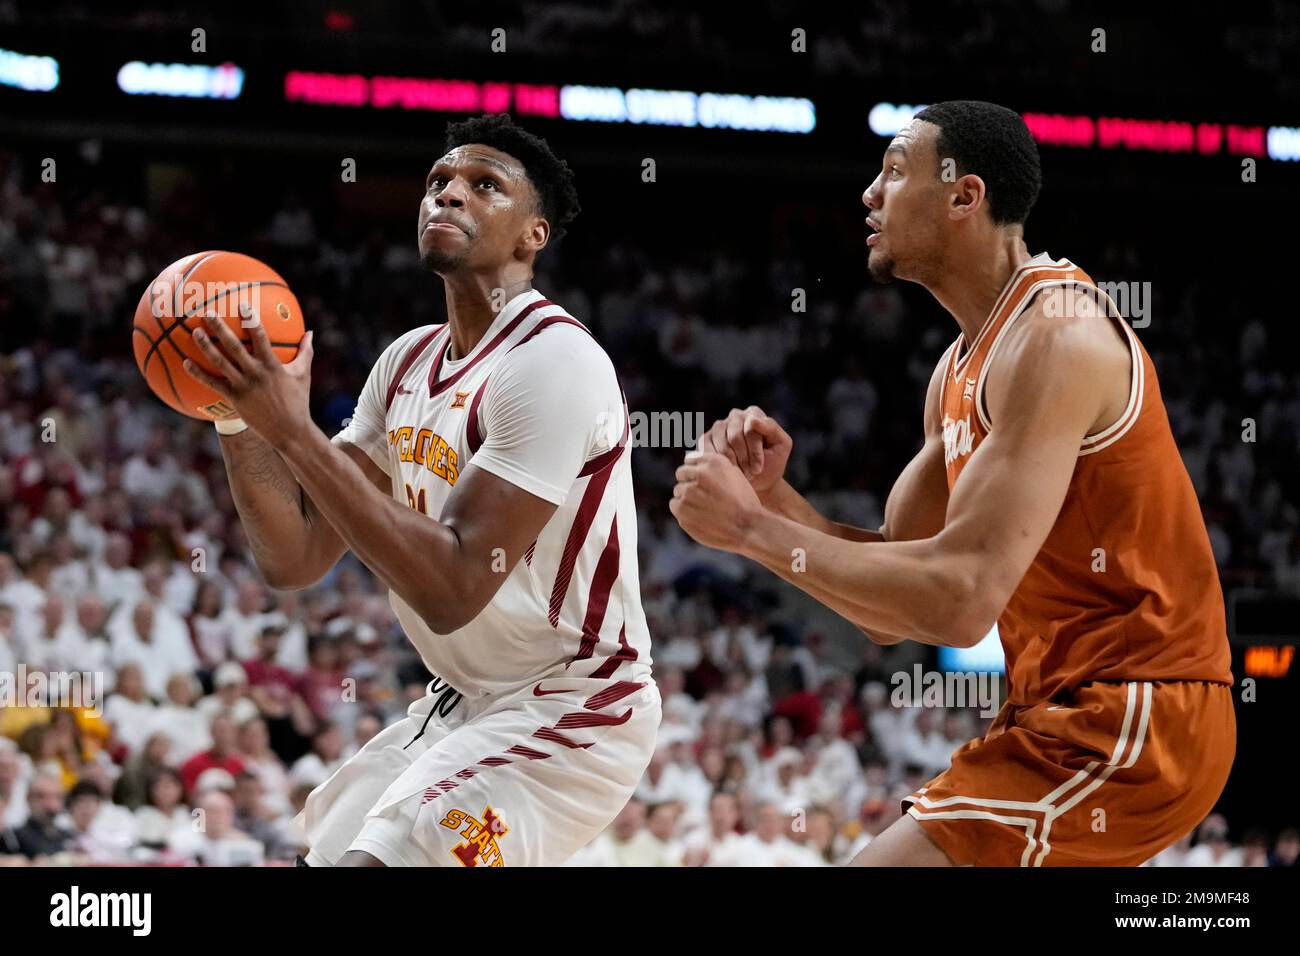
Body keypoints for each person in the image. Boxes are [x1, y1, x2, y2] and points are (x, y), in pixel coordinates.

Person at [670, 100, 1234, 867]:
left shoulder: (1057, 336)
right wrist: (776, 502)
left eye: (894, 172)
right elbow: (892, 612)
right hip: (1049, 716)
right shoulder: (956, 370)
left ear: (964, 197)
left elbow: (962, 600)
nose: (870, 194)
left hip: (1138, 716)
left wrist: (750, 532)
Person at [181, 113, 659, 866]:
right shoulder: (404, 364)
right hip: (462, 701)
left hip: (578, 702)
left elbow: (454, 586)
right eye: (437, 182)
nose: (448, 195)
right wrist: (236, 419)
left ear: (534, 234)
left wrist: (294, 433)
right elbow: (296, 557)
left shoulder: (556, 362)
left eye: (483, 185)